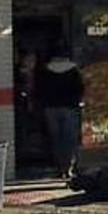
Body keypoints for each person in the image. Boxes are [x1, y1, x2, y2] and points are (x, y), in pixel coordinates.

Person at [37, 47, 85, 179]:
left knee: (56, 138)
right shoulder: (73, 70)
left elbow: (39, 89)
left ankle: (59, 167)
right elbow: (80, 88)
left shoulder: (45, 70)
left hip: (51, 107)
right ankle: (68, 166)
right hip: (70, 106)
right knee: (70, 138)